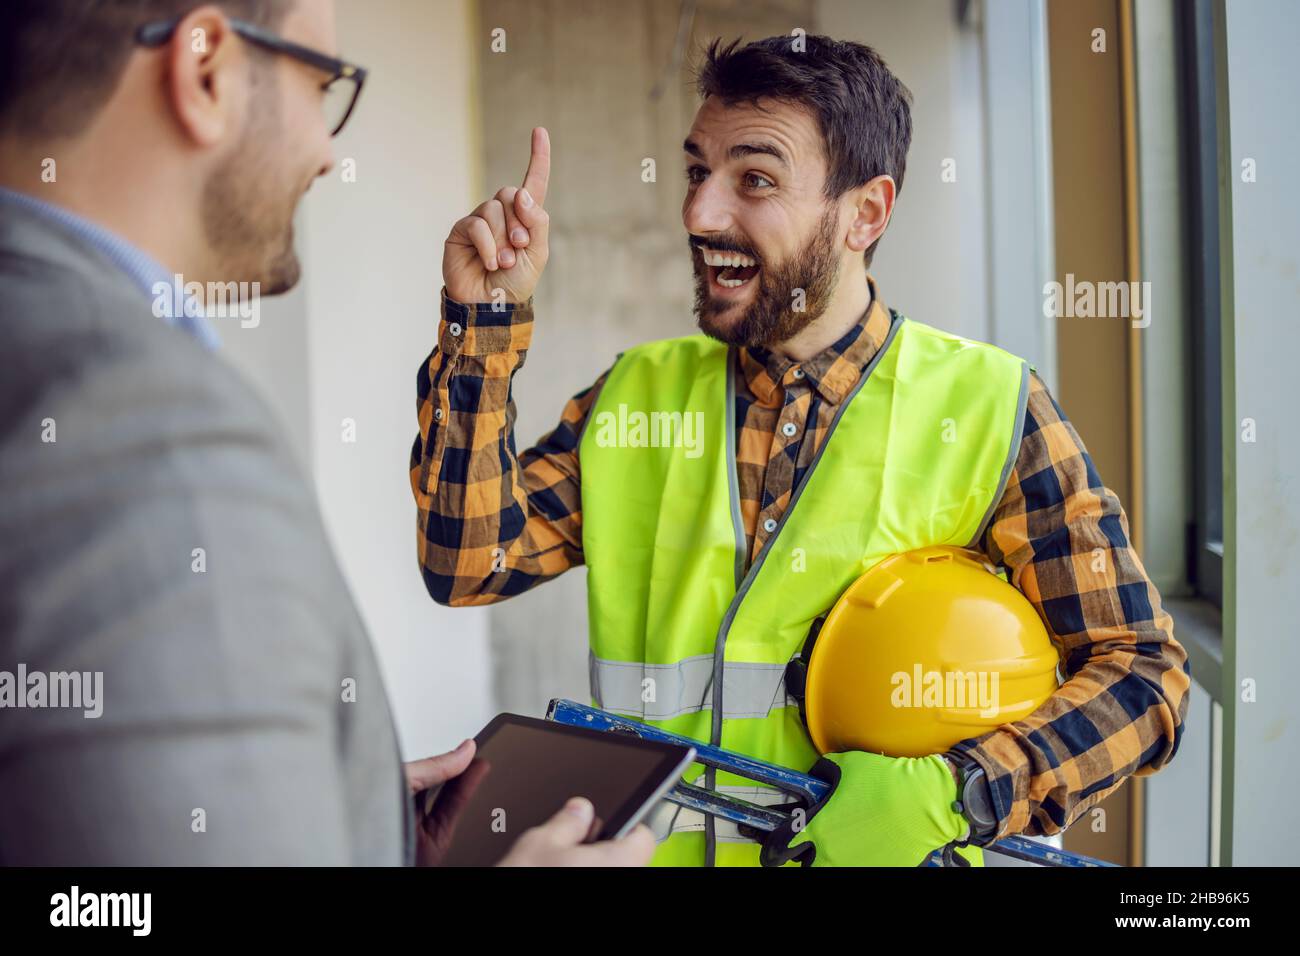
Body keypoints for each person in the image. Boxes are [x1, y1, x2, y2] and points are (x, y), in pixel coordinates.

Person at [414, 34, 1190, 866]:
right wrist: (482, 328)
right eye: (696, 173)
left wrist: (959, 793)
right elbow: (470, 562)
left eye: (754, 179)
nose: (699, 214)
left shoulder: (992, 405)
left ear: (866, 212)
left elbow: (1143, 678)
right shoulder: (634, 398)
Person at [0, 0, 652, 867]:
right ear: (204, 71)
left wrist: (356, 824)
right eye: (323, 85)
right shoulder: (146, 426)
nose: (327, 151)